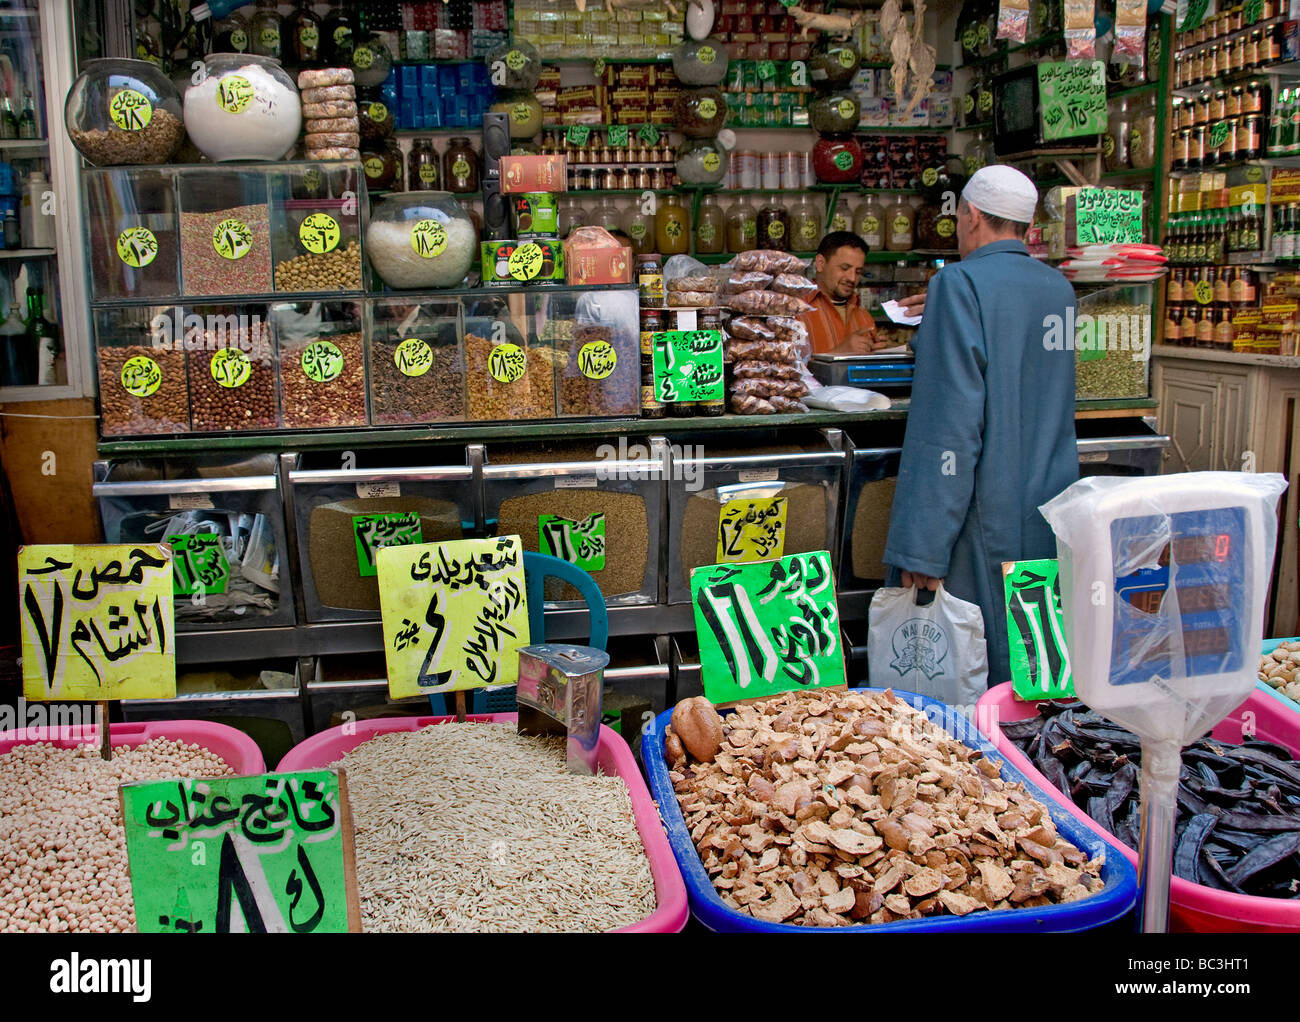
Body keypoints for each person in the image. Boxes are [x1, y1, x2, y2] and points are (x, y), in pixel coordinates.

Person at [882, 164, 1079, 688]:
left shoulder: (959, 282)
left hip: (979, 515)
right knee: (1033, 664)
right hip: (1048, 508)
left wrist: (922, 547)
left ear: (970, 216)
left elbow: (948, 422)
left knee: (974, 673)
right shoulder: (1058, 287)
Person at [799, 231, 893, 356]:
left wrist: (876, 357)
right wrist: (838, 354)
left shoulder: (864, 318)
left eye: (858, 272)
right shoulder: (795, 311)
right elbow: (781, 370)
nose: (852, 278)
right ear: (820, 263)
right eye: (844, 268)